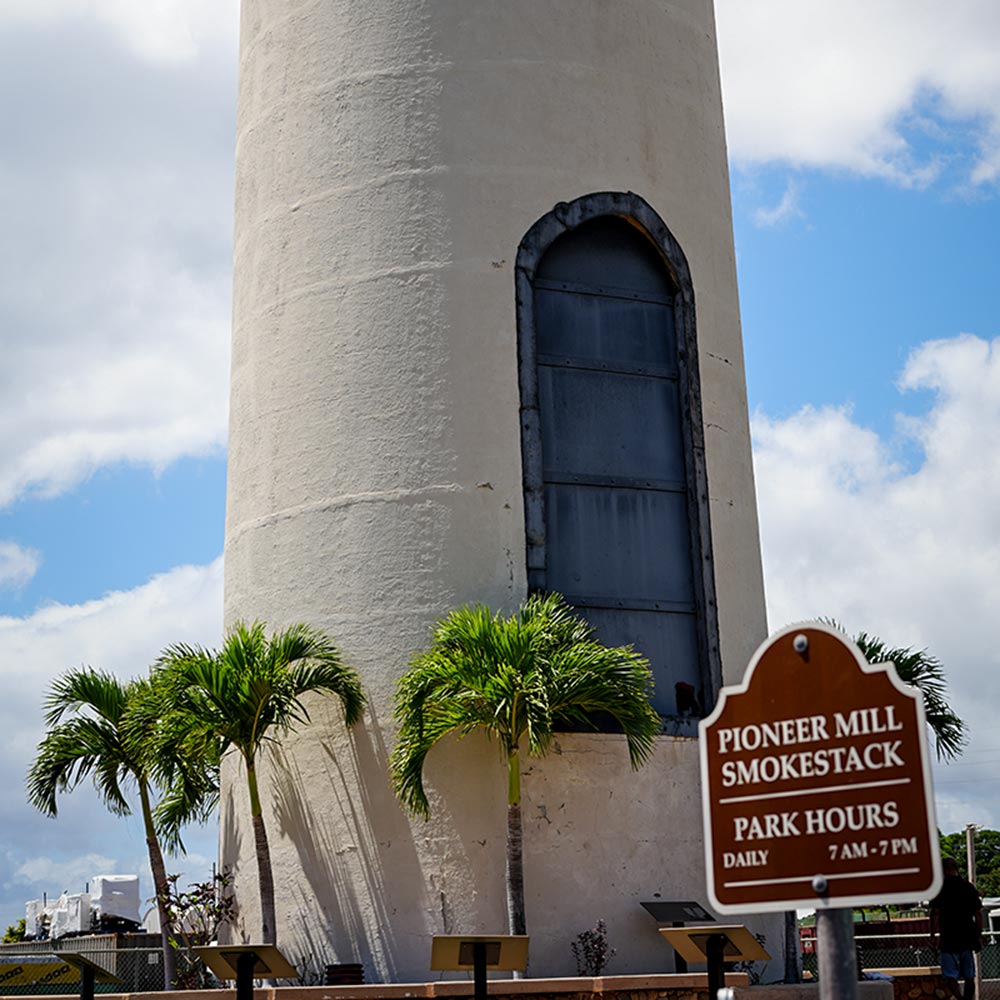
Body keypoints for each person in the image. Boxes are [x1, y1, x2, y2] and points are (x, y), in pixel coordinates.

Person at [930, 856, 982, 1000]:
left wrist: (933, 936)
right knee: (969, 975)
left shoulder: (939, 889)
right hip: (967, 938)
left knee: (949, 975)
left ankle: (959, 997)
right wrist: (978, 936)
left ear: (944, 870)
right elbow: (978, 914)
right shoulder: (968, 887)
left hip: (948, 938)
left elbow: (935, 914)